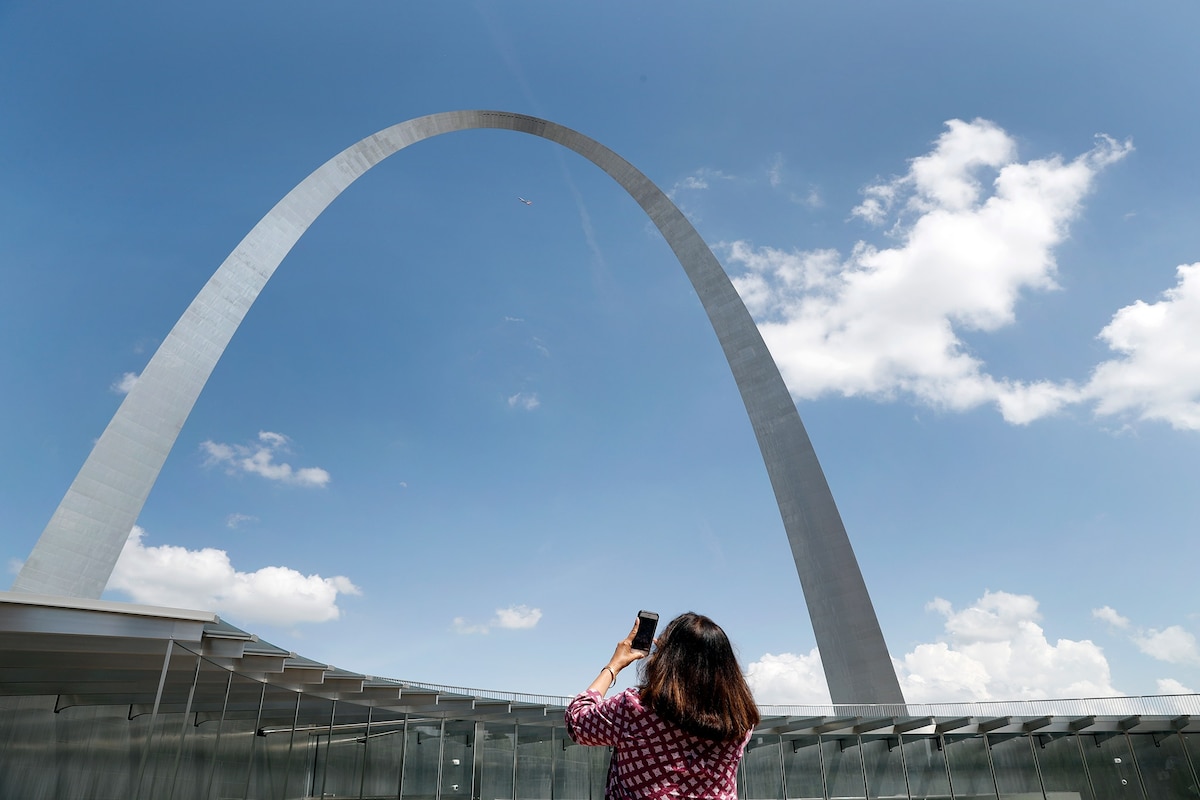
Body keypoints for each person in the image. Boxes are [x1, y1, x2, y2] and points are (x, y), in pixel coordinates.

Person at [564, 612, 761, 800]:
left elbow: (577, 722)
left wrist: (614, 665)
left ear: (668, 659)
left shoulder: (635, 709)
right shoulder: (741, 722)